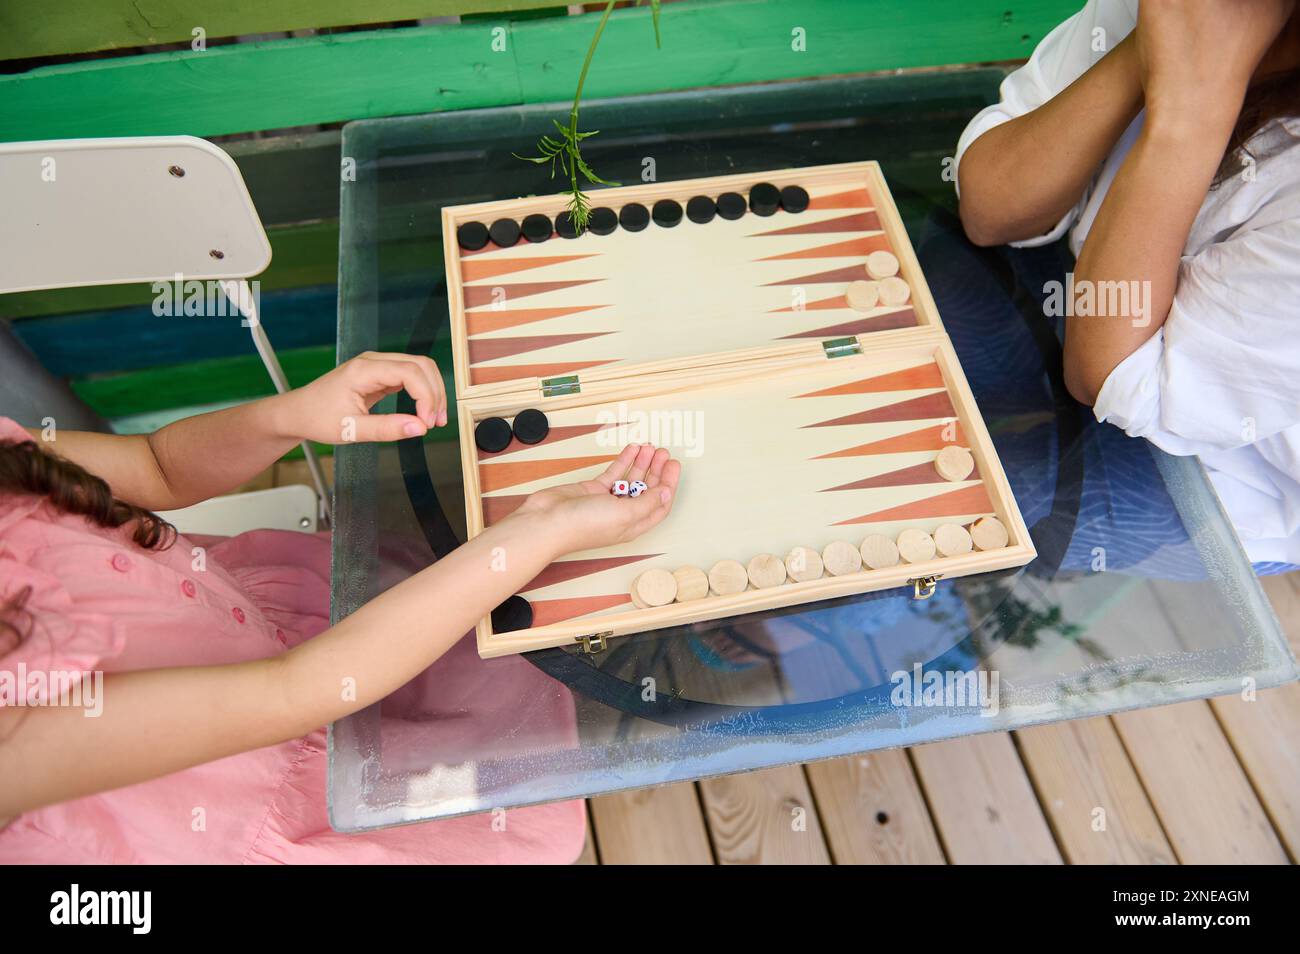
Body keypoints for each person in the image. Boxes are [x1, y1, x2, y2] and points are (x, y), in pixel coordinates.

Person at [0, 350, 680, 863]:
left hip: (291, 639)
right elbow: (297, 692)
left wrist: (287, 414)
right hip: (286, 789)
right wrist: (540, 527)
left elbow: (156, 466)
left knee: (492, 646)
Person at [954, 0, 1300, 565]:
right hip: (1071, 291)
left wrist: (1190, 113)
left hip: (1218, 462)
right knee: (881, 343)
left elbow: (1111, 380)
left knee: (969, 513)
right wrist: (1159, 43)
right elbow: (991, 208)